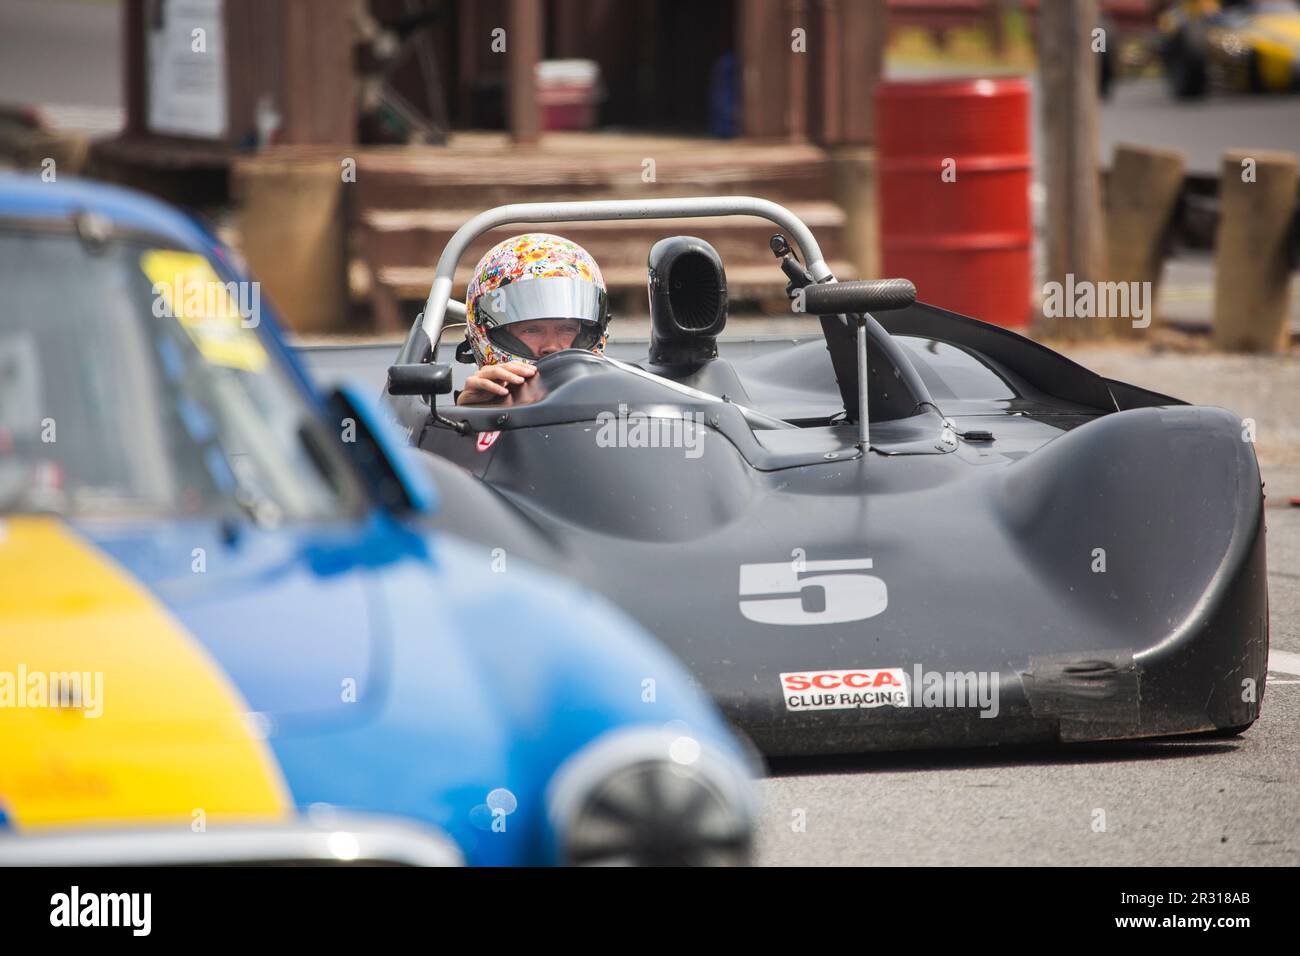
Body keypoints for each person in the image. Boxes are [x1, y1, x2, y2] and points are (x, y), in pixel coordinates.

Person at [456, 233, 611, 405]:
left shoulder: (618, 401)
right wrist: (471, 413)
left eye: (566, 328)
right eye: (532, 330)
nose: (552, 347)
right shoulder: (470, 414)